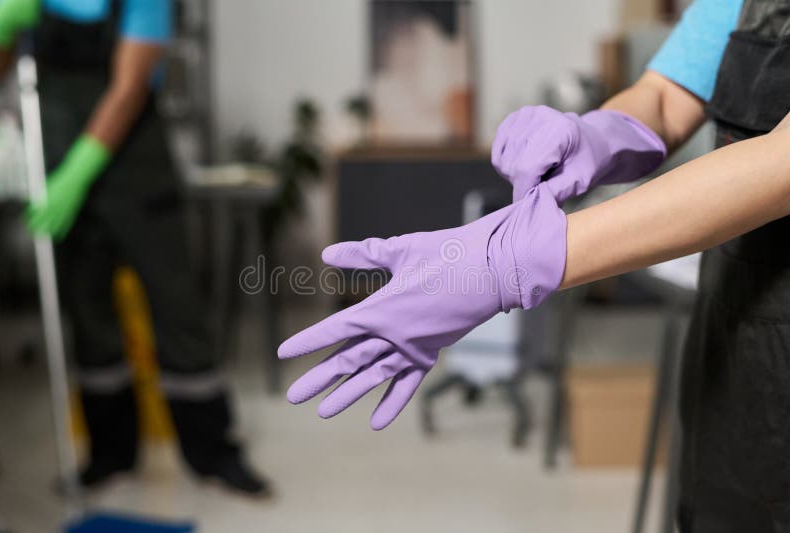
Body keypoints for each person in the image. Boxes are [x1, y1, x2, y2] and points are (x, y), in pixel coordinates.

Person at [280, 0, 790, 529]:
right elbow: (665, 97)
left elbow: (782, 164)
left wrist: (514, 261)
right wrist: (597, 134)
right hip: (736, 362)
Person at [0, 0, 271, 497]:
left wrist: (78, 172)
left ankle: (213, 454)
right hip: (59, 170)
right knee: (89, 318)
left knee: (178, 312)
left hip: (136, 175)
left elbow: (129, 87)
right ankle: (109, 455)